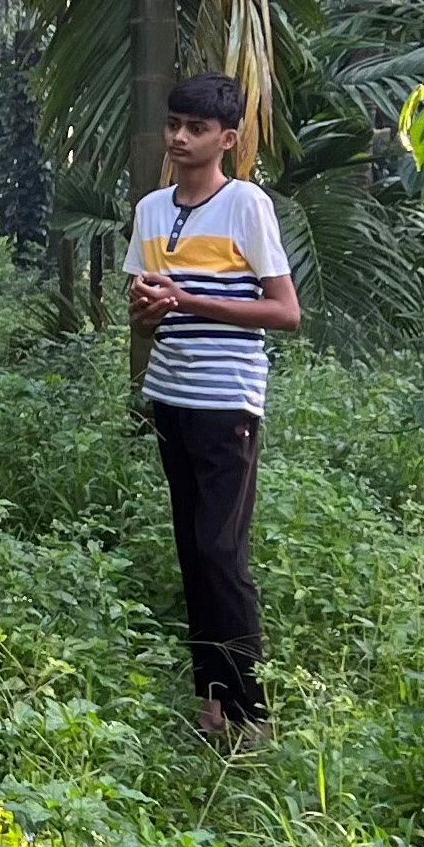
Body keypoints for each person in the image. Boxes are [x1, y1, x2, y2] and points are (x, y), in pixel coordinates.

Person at [125, 73, 300, 744]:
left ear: (226, 139)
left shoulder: (245, 205)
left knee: (220, 551)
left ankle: (250, 712)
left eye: (195, 128)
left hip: (228, 402)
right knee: (192, 554)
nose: (178, 137)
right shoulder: (148, 210)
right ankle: (210, 704)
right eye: (173, 123)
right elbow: (142, 319)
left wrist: (188, 301)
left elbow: (284, 310)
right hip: (170, 398)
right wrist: (145, 313)